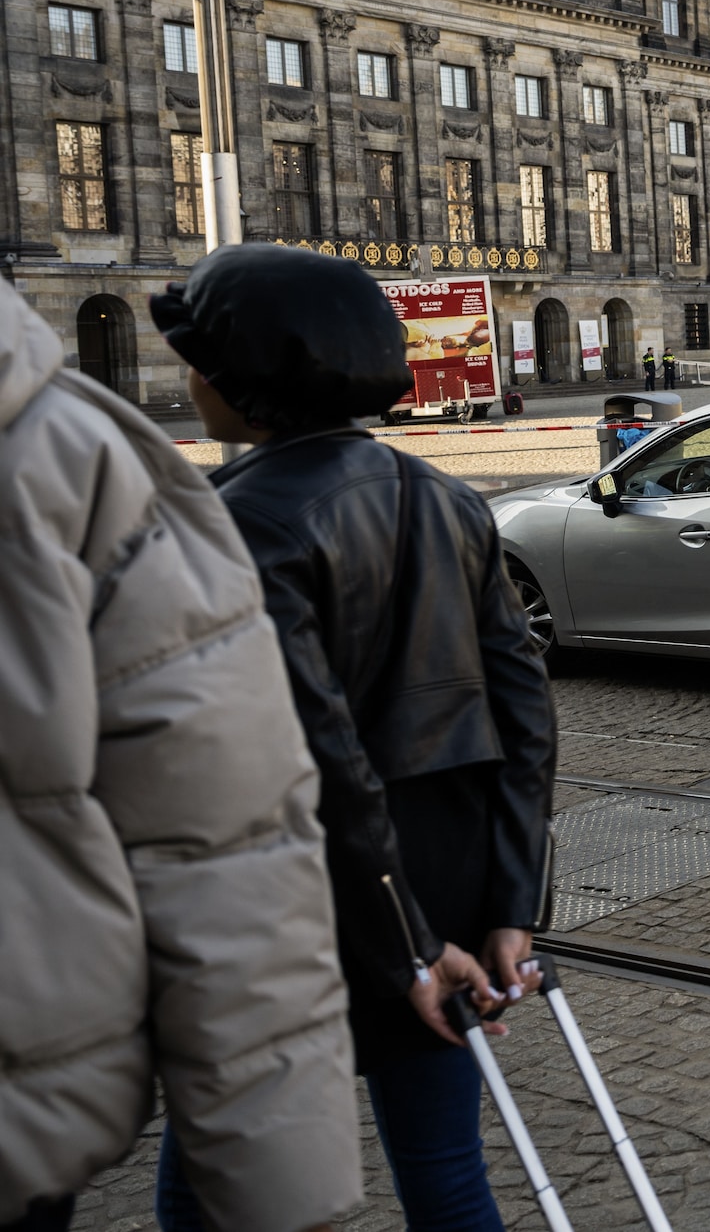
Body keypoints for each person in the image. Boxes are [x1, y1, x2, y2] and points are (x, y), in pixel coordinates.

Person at [150, 246, 557, 1230]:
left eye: (199, 358)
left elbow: (320, 756)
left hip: (305, 905)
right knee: (446, 1169)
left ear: (245, 378)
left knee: (210, 1190)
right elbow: (525, 714)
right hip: (447, 880)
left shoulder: (239, 523)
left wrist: (406, 943)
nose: (188, 378)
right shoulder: (449, 499)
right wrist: (507, 905)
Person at [0, 276, 361, 1232]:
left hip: (366, 894)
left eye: (199, 361)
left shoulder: (231, 509)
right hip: (381, 903)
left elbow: (250, 787)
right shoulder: (76, 455)